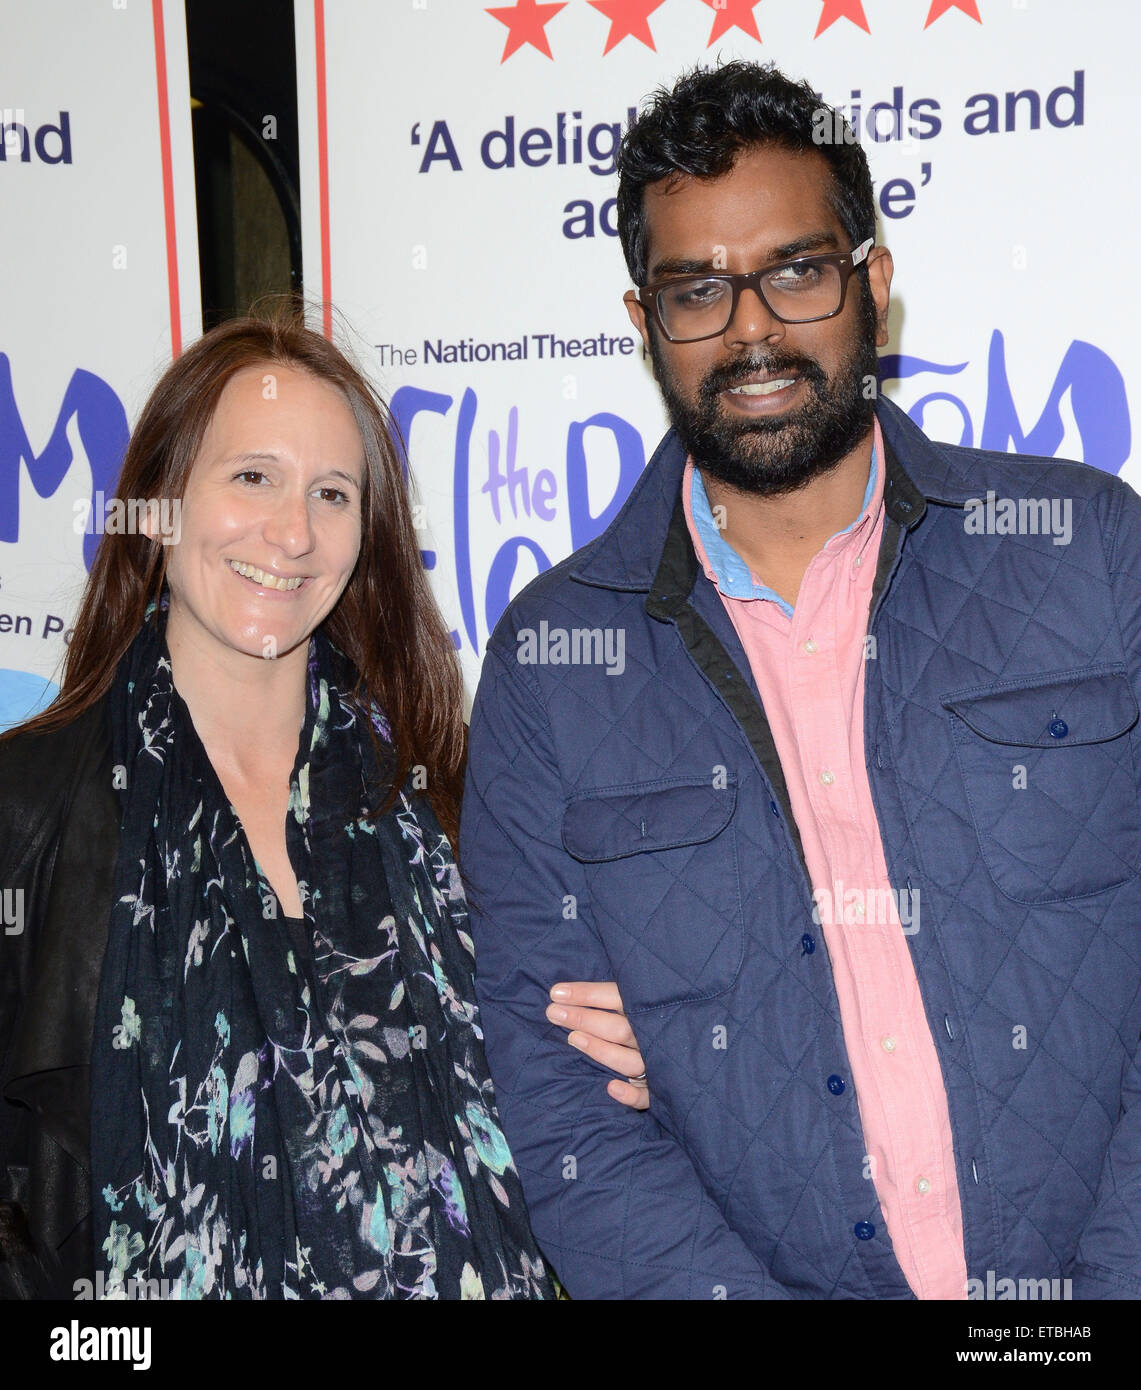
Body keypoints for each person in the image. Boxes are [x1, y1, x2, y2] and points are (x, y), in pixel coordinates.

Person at [461, 60, 1141, 1300]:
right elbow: (562, 1108)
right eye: (697, 291)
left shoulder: (1087, 551)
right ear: (642, 323)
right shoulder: (553, 665)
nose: (750, 330)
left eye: (795, 271)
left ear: (872, 283)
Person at [0, 310, 553, 1300]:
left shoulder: (448, 789)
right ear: (159, 503)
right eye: (252, 476)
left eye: (331, 493)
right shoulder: (25, 809)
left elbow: (553, 1081)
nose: (293, 533)